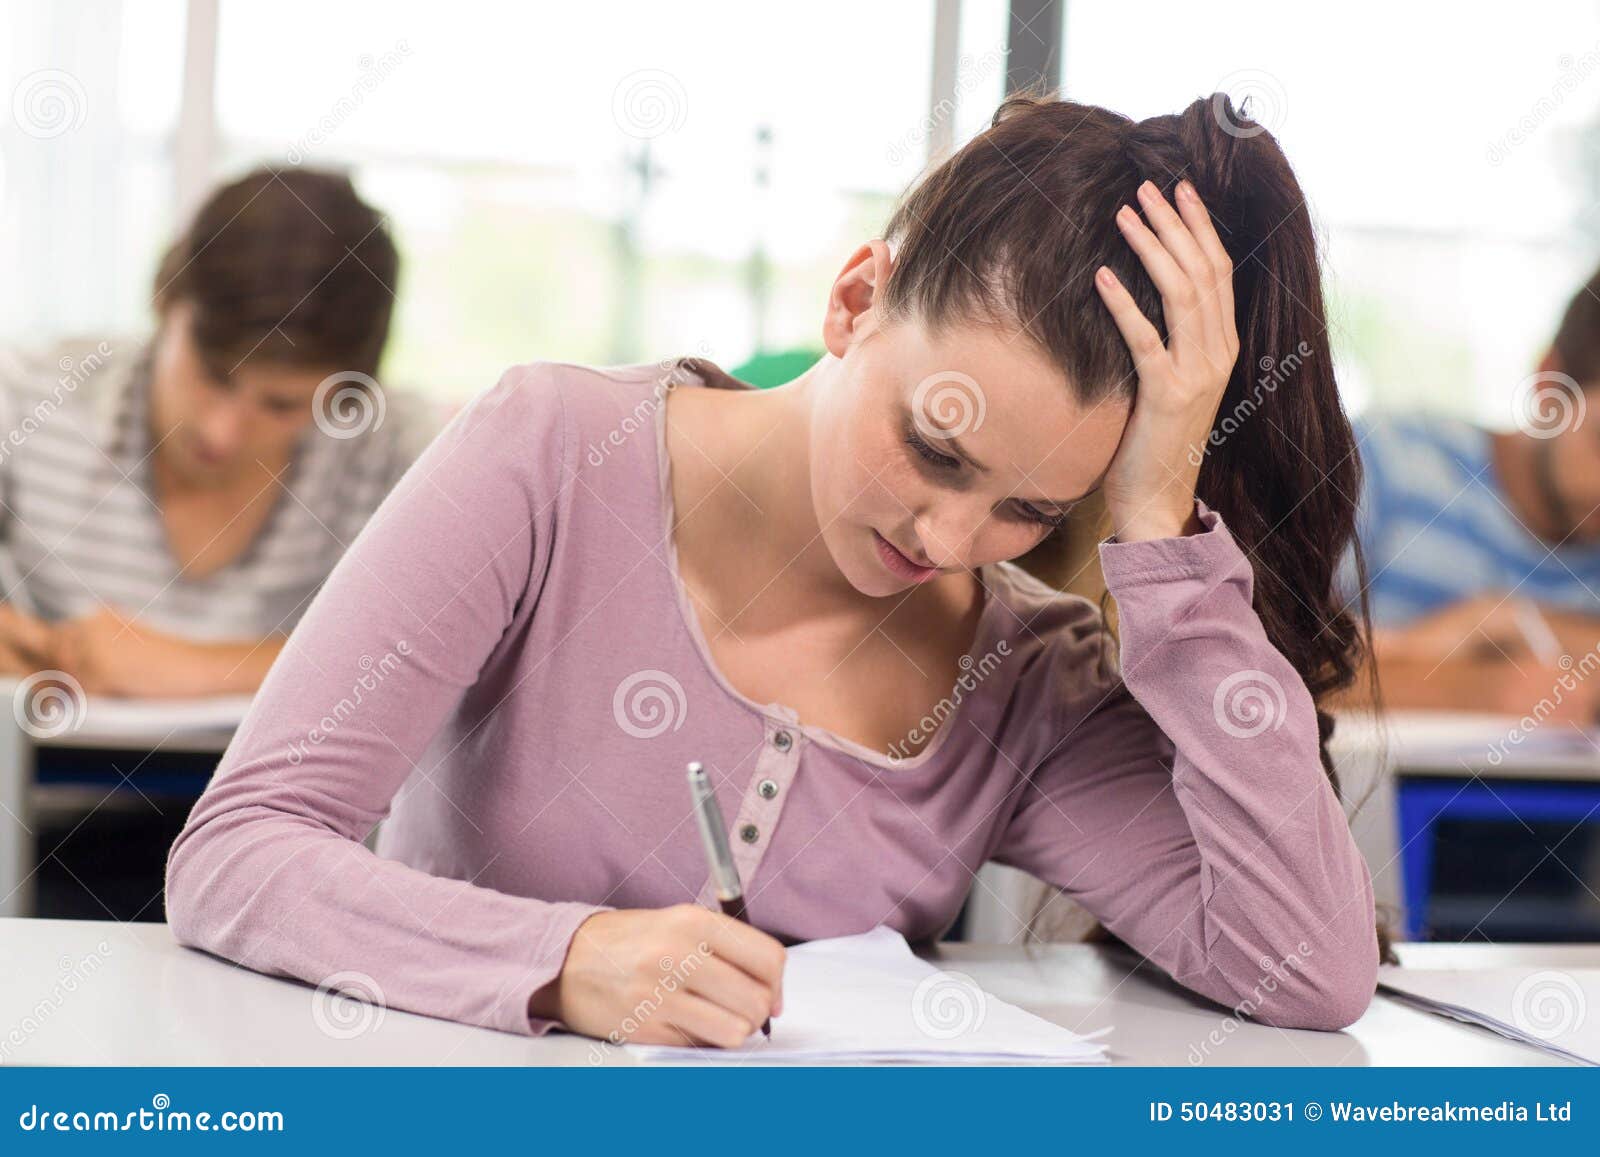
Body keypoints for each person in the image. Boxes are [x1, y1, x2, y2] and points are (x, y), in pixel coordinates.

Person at [167, 93, 1390, 1048]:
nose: (948, 540)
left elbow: (1305, 968)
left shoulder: (1023, 680)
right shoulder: (553, 455)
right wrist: (565, 956)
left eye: (1030, 506)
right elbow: (239, 850)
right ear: (857, 298)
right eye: (932, 444)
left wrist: (1161, 539)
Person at [0, 167, 444, 698]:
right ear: (167, 300)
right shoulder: (28, 399)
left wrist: (196, 668)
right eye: (212, 375)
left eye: (281, 405)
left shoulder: (394, 450)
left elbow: (442, 653)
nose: (223, 432)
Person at [1345, 266, 1600, 719]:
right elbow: (1251, 661)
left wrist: (1513, 620)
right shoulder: (1387, 460)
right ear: (1549, 390)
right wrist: (1470, 687)